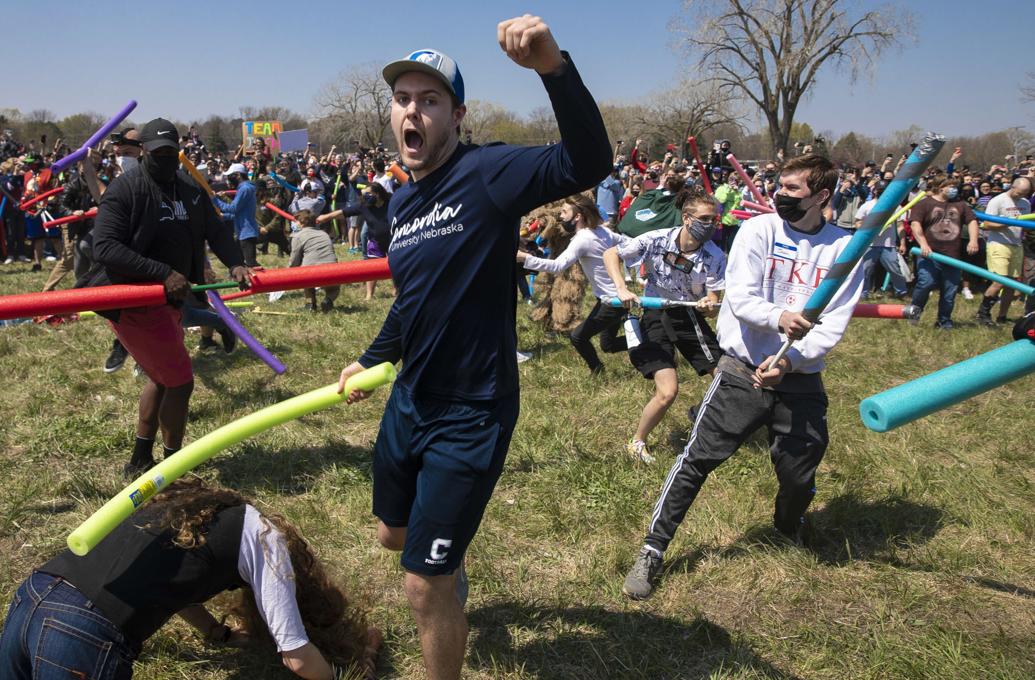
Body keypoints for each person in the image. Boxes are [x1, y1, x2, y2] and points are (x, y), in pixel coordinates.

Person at [335, 15, 610, 679]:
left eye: (429, 100)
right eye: (402, 98)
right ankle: (443, 551)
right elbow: (413, 299)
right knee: (390, 536)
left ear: (455, 116)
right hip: (409, 401)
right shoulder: (401, 206)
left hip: (471, 411)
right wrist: (374, 357)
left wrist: (553, 68)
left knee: (421, 586)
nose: (413, 111)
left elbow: (587, 162)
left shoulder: (489, 173)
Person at [621, 154, 865, 600]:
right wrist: (780, 318)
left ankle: (789, 524)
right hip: (741, 370)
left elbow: (834, 321)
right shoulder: (759, 230)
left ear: (822, 196)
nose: (781, 194)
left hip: (800, 377)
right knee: (697, 460)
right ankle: (653, 549)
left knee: (798, 474)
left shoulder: (843, 249)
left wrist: (790, 362)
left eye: (793, 189)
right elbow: (742, 298)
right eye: (780, 185)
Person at [0, 478, 380, 680]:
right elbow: (297, 657)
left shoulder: (180, 514)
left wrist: (218, 633)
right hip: (81, 633)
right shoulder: (266, 539)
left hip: (31, 595)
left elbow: (178, 588)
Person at [77, 118, 252, 476]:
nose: (165, 160)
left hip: (168, 300)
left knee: (161, 376)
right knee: (180, 381)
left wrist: (237, 263)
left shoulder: (189, 189)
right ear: (144, 152)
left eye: (171, 153)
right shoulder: (127, 190)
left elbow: (216, 230)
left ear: (179, 152)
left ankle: (140, 458)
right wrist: (162, 273)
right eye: (158, 154)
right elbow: (106, 247)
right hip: (133, 300)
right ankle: (173, 464)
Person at [603, 188, 725, 464]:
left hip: (689, 316)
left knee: (725, 379)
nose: (711, 225)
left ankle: (700, 414)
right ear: (686, 218)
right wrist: (622, 288)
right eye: (705, 218)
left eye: (715, 220)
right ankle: (637, 441)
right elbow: (612, 254)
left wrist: (709, 303)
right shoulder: (656, 239)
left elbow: (713, 298)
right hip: (655, 314)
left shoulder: (714, 255)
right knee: (668, 391)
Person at [517, 192, 628, 375]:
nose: (560, 216)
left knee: (578, 337)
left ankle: (597, 371)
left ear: (577, 216)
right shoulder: (602, 231)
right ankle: (650, 340)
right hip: (612, 298)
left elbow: (557, 266)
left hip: (613, 300)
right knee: (607, 345)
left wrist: (525, 258)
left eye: (564, 212)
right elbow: (627, 243)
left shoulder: (582, 239)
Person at [909, 175, 979, 329]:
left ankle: (944, 321)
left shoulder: (961, 205)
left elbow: (972, 221)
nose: (954, 189)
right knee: (925, 283)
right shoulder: (924, 204)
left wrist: (973, 240)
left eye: (955, 186)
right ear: (940, 187)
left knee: (949, 292)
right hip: (929, 254)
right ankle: (914, 313)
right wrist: (924, 244)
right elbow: (915, 225)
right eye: (951, 186)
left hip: (953, 256)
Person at [318, 182, 392, 300]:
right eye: (364, 194)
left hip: (393, 240)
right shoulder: (364, 205)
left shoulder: (391, 202)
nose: (365, 197)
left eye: (368, 194)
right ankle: (369, 295)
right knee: (372, 268)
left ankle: (397, 290)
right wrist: (326, 217)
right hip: (375, 241)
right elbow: (344, 212)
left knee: (395, 265)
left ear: (377, 194)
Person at [976, 177, 1031, 325]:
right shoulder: (997, 201)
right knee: (999, 281)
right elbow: (986, 224)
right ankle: (983, 313)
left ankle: (1002, 316)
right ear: (1012, 187)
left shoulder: (1025, 203)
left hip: (1017, 245)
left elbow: (1024, 225)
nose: (1021, 196)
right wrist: (1006, 223)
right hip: (998, 244)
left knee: (1011, 284)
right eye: (1019, 193)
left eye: (1025, 194)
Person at [290, 209, 340, 312]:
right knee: (334, 288)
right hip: (332, 270)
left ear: (302, 222)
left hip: (311, 272)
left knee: (308, 284)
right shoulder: (324, 234)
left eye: (296, 221)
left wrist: (288, 272)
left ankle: (310, 304)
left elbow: (294, 259)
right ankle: (328, 300)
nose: (295, 224)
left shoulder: (298, 236)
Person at [214, 162, 260, 267]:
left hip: (247, 232)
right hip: (243, 232)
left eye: (231, 176)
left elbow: (233, 209)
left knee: (251, 264)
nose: (229, 179)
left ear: (238, 175)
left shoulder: (245, 189)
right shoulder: (244, 188)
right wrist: (224, 216)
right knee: (239, 263)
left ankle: (267, 280)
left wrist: (215, 200)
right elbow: (241, 213)